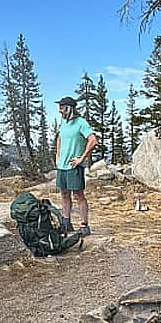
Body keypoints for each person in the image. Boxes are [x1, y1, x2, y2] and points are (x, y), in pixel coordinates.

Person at [53, 95, 99, 236]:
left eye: (62, 107)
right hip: (62, 166)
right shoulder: (64, 122)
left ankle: (84, 226)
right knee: (64, 194)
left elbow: (93, 141)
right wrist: (57, 155)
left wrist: (81, 158)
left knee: (79, 195)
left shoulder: (81, 123)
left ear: (69, 108)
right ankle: (66, 223)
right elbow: (59, 138)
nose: (59, 110)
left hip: (74, 166)